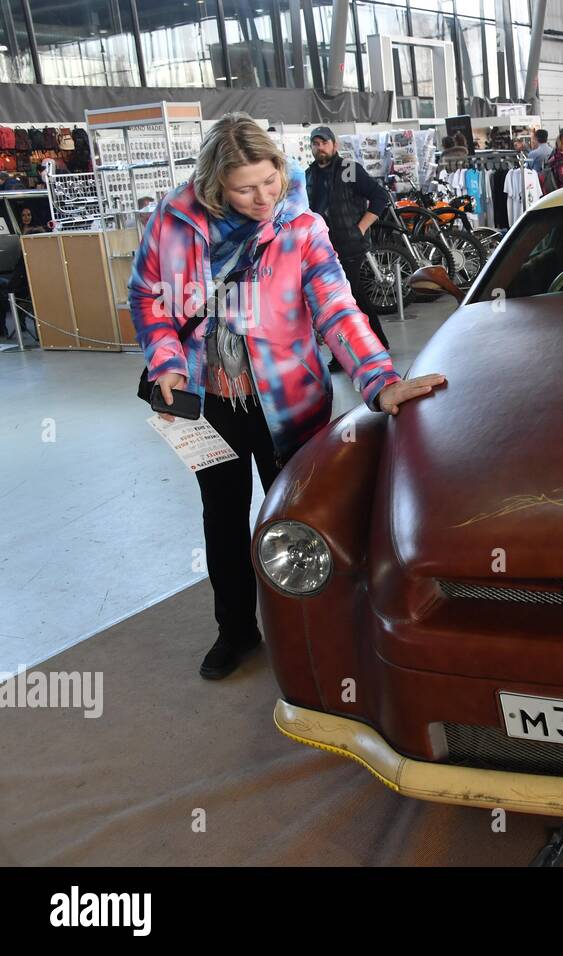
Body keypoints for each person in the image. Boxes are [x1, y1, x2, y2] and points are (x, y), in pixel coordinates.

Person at [128, 113, 446, 679]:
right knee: (221, 517)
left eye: (270, 180)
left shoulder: (301, 227)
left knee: (301, 521)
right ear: (213, 185)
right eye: (245, 188)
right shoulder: (172, 222)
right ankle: (236, 632)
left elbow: (337, 309)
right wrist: (167, 361)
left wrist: (379, 379)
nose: (263, 196)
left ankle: (310, 631)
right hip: (208, 401)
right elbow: (148, 297)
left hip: (290, 402)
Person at [304, 125, 392, 367]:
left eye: (323, 142)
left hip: (349, 245)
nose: (319, 147)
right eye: (315, 143)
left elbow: (379, 197)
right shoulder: (309, 175)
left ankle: (361, 349)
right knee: (347, 299)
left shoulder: (347, 170)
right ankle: (372, 344)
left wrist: (361, 227)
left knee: (348, 298)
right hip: (321, 248)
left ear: (334, 145)